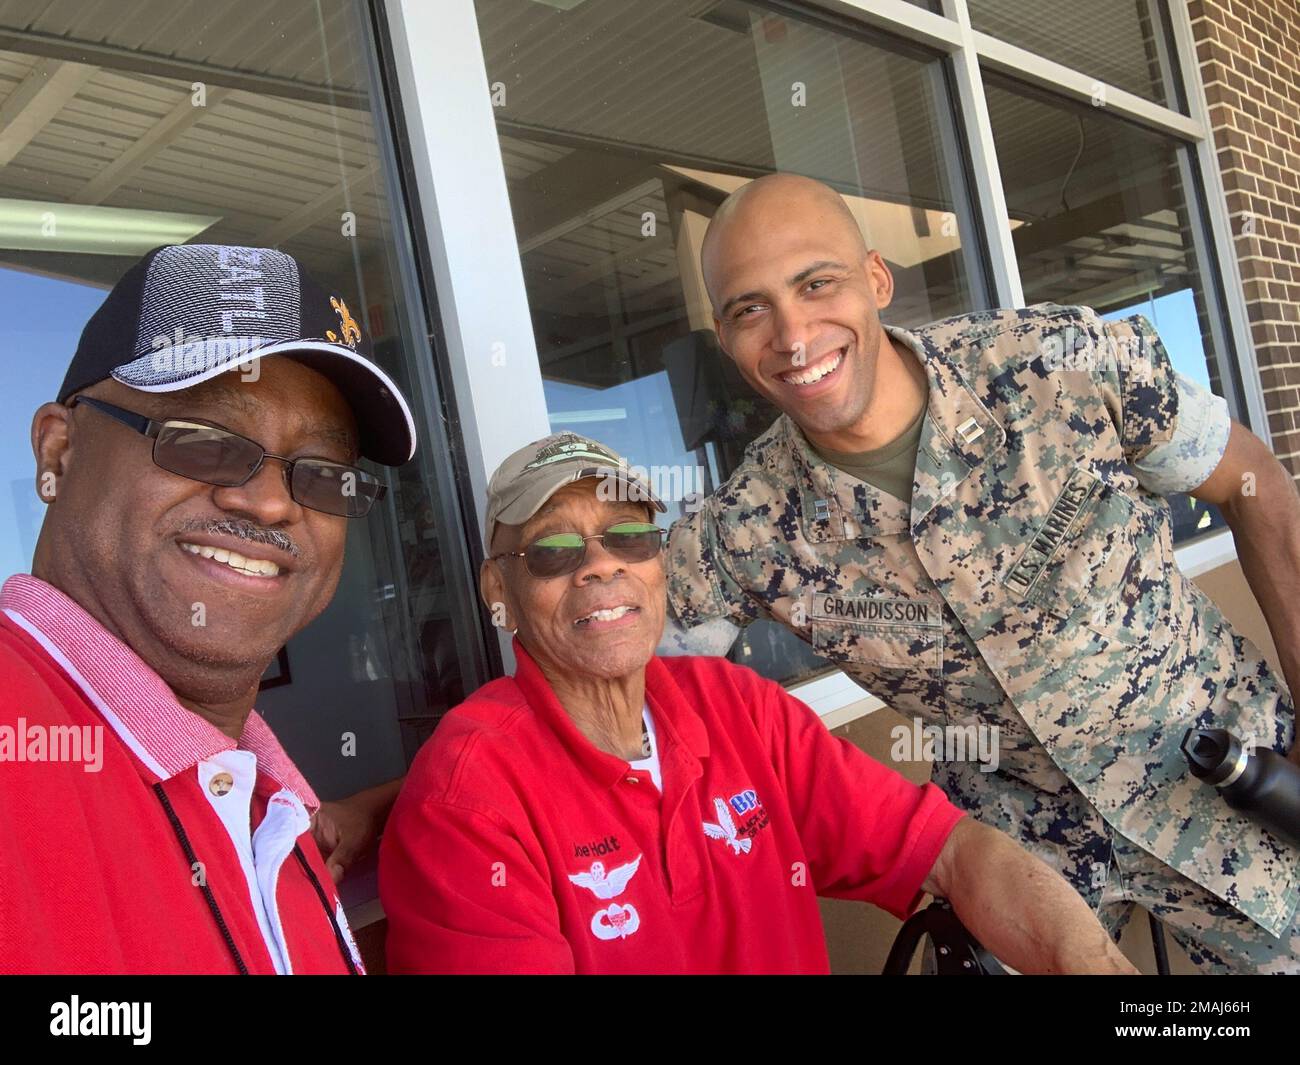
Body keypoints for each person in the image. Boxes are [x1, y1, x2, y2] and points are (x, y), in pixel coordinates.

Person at [662, 173, 1300, 972]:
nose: (792, 334)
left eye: (816, 283)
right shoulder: (745, 527)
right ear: (724, 337)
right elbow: (611, 667)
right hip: (1024, 850)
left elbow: (1257, 487)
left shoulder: (1056, 365)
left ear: (877, 278)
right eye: (749, 308)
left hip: (1231, 774)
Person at [378, 433, 1137, 974]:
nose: (600, 565)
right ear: (497, 591)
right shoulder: (466, 798)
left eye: (630, 536)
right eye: (553, 549)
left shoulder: (737, 706)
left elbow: (954, 850)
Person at [0, 243, 416, 973]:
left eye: (322, 473)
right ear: (58, 452)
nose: (272, 501)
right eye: (205, 441)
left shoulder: (274, 813)